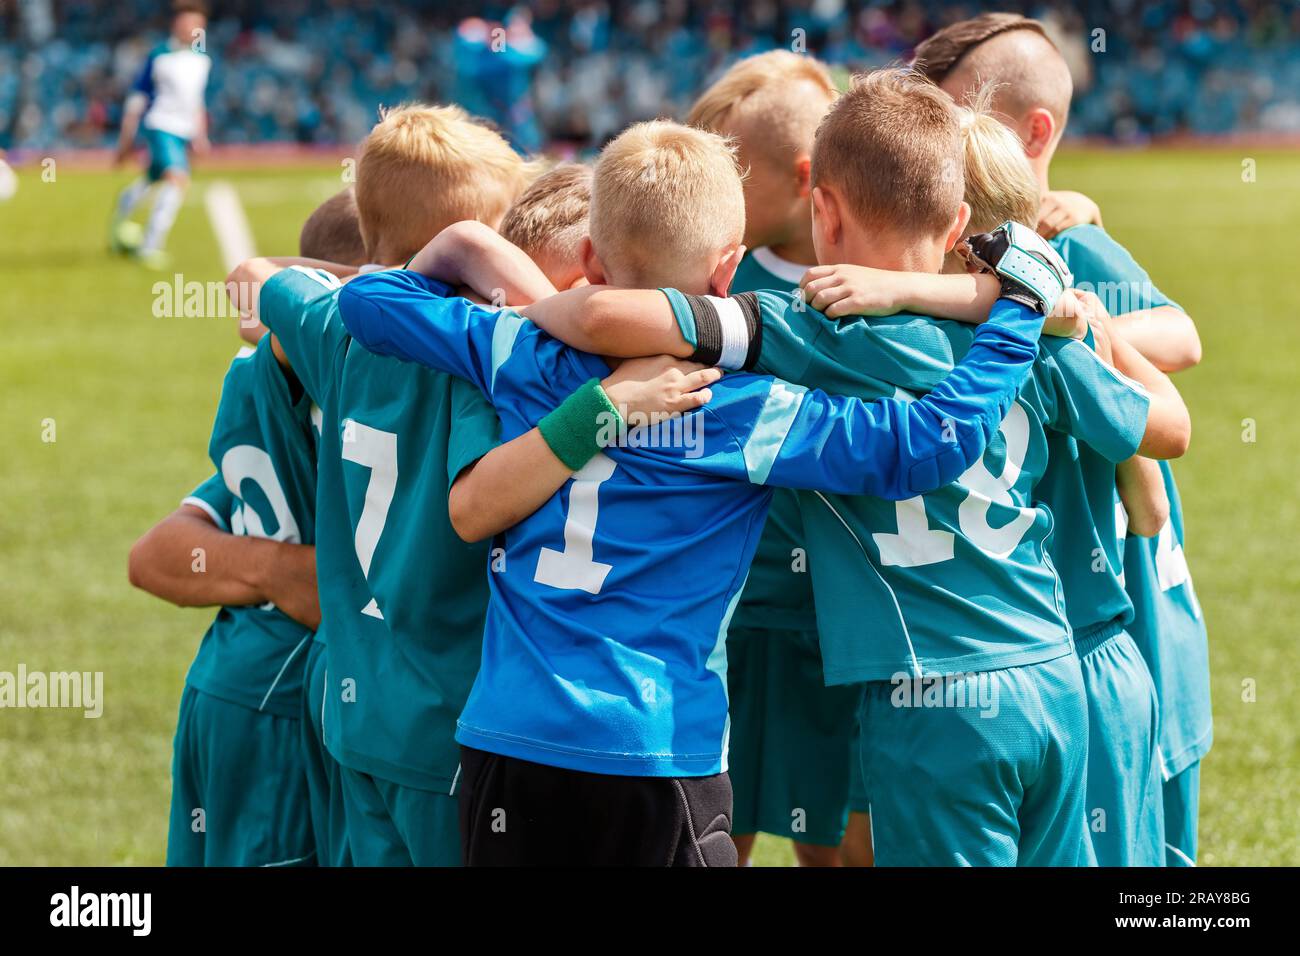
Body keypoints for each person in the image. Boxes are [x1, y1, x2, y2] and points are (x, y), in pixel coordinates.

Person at [336, 117, 1067, 866]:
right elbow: (925, 445)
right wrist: (1017, 312)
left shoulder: (514, 347)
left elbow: (366, 303)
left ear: (589, 259)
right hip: (653, 748)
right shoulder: (742, 408)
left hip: (508, 742)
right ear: (729, 272)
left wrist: (482, 262)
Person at [109, 1, 212, 268]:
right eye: (188, 23)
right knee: (177, 180)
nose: (193, 29)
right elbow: (138, 97)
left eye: (198, 25)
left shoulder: (202, 60)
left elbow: (196, 101)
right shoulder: (159, 57)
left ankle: (121, 215)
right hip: (160, 126)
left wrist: (199, 135)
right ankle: (150, 245)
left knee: (152, 179)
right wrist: (126, 138)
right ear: (176, 24)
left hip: (183, 131)